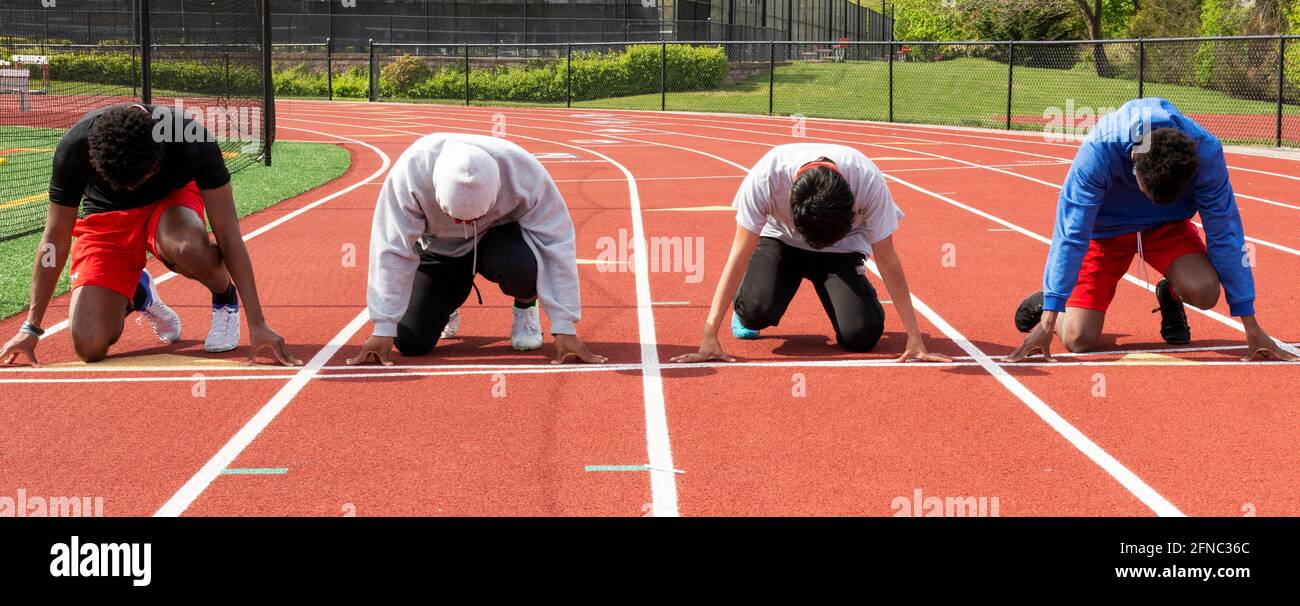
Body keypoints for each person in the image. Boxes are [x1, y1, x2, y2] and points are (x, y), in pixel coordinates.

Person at [0, 104, 299, 366]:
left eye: (137, 181)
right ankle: (138, 294)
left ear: (158, 159)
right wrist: (30, 328)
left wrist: (257, 322)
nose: (130, 190)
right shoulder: (74, 148)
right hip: (106, 215)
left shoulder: (191, 139)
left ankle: (224, 298)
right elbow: (54, 239)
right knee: (89, 345)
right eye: (119, 183)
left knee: (187, 248)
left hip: (170, 204)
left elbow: (228, 233)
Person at [1009, 98, 1294, 363]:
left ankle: (1170, 293)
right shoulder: (1099, 151)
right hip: (1105, 232)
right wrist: (1050, 317)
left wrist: (1251, 325)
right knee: (1078, 339)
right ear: (1134, 165)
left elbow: (1225, 233)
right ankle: (1052, 299)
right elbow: (1071, 234)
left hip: (1165, 228)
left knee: (1206, 293)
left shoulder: (1207, 153)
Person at [671, 143, 948, 364]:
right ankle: (746, 302)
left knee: (861, 337)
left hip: (842, 249)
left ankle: (853, 297)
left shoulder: (867, 180)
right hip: (781, 242)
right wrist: (709, 334)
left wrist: (914, 336)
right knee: (755, 311)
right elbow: (738, 254)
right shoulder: (766, 176)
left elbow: (888, 260)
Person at [347, 133, 605, 366]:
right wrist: (383, 327)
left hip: (499, 241)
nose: (465, 224)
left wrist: (564, 325)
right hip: (440, 251)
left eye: (475, 216)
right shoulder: (409, 174)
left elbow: (555, 241)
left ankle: (525, 305)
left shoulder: (523, 171)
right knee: (411, 343)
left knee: (523, 265)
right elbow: (392, 247)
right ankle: (445, 303)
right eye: (456, 217)